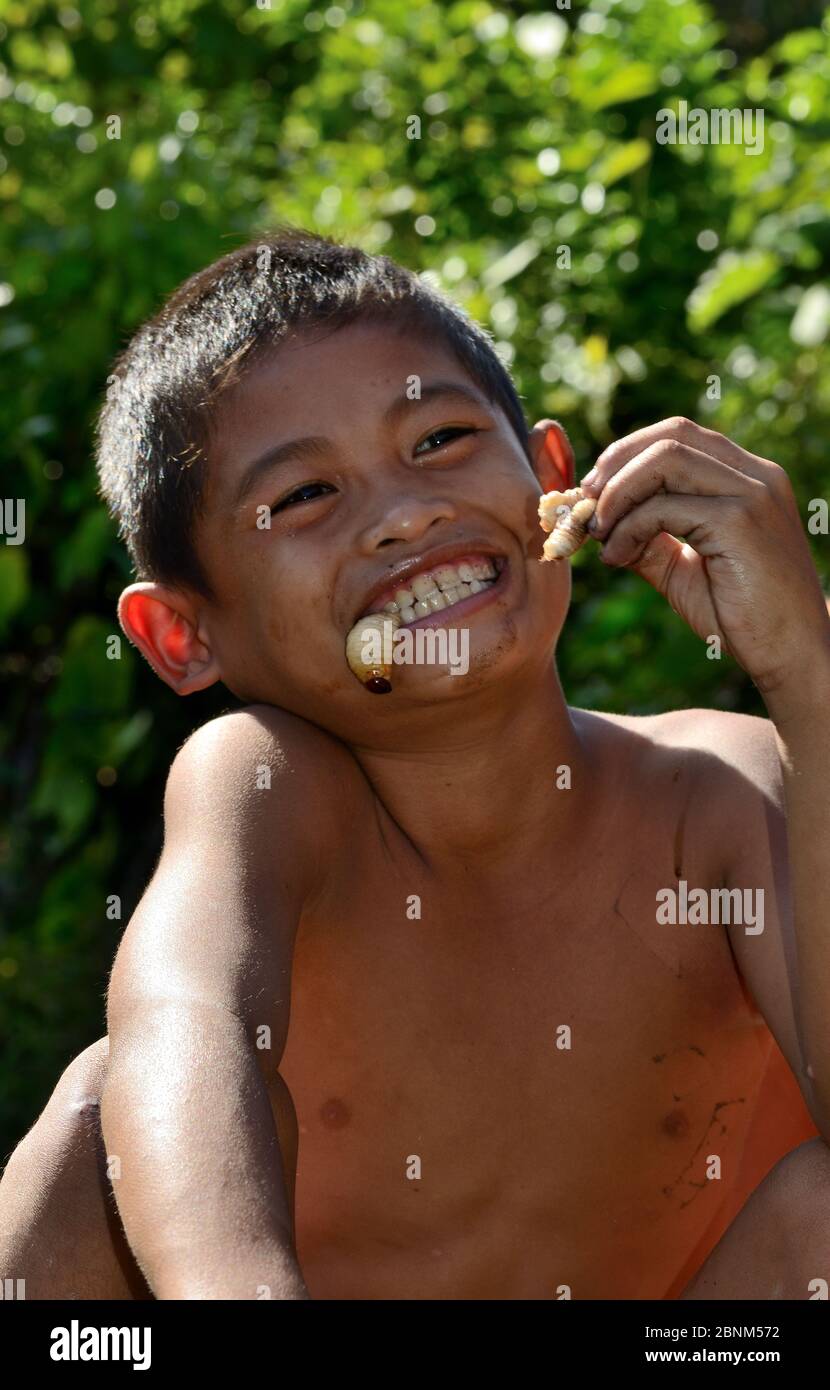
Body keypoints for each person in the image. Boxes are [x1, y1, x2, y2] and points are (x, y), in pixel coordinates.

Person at [2, 228, 829, 1300]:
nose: (407, 513)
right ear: (182, 636)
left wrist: (808, 680)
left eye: (437, 439)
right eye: (303, 496)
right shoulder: (265, 789)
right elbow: (186, 1020)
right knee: (99, 1110)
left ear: (552, 483)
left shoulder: (716, 791)